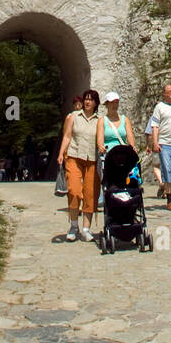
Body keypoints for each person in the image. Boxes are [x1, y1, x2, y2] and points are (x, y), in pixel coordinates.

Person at [57, 89, 101, 242]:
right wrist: (61, 153)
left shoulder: (99, 120)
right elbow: (67, 135)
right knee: (74, 191)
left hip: (92, 159)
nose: (87, 102)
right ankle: (74, 225)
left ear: (96, 103)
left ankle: (86, 229)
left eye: (91, 99)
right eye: (85, 99)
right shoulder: (74, 116)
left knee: (90, 194)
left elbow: (101, 140)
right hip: (74, 157)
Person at [144, 116, 165, 196]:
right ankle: (167, 188)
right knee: (167, 166)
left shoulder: (153, 118)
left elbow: (150, 133)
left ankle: (161, 182)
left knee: (156, 166)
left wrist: (149, 146)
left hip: (157, 145)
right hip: (169, 145)